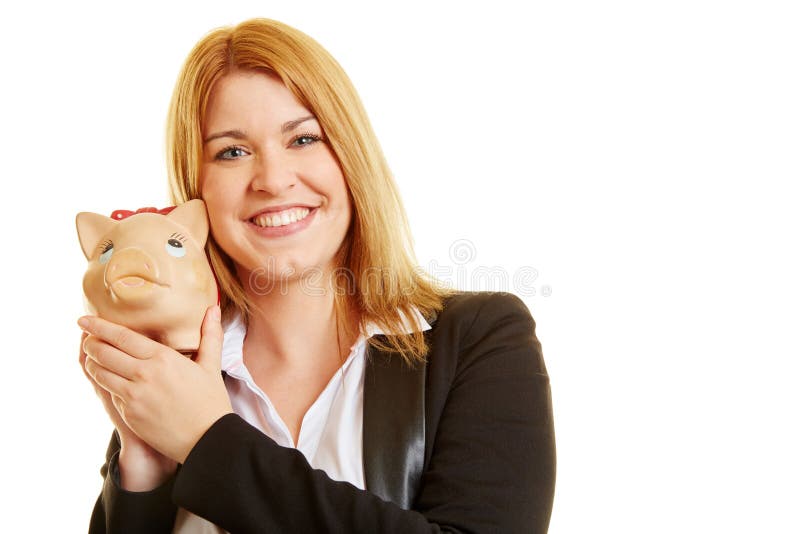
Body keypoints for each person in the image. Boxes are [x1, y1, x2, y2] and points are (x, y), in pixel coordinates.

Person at [79, 17, 556, 533]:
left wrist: (208, 440)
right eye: (232, 151)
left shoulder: (478, 338)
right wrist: (146, 467)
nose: (274, 180)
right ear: (197, 189)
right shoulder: (181, 371)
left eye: (303, 139)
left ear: (350, 156)